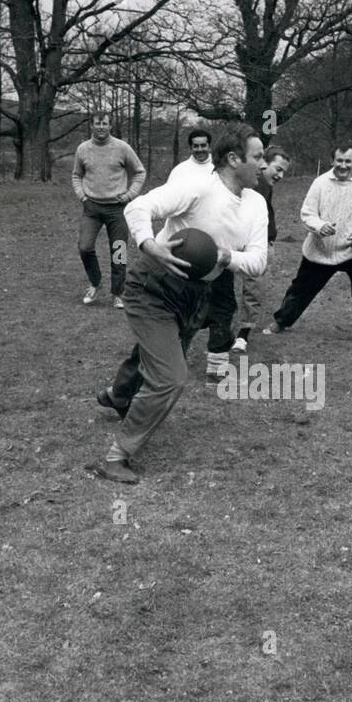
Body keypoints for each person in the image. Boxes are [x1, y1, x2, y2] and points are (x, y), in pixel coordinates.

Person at [93, 124, 268, 483]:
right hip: (152, 286)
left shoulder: (256, 203)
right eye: (258, 157)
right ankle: (116, 456)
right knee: (171, 377)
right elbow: (139, 207)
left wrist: (224, 256)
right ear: (234, 159)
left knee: (156, 353)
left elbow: (258, 261)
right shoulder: (198, 185)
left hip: (196, 295)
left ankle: (117, 395)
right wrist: (148, 243)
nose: (264, 165)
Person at [263, 144, 352, 349]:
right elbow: (307, 213)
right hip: (320, 250)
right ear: (332, 161)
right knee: (301, 289)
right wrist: (319, 226)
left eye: (348, 161)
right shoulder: (319, 183)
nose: (343, 165)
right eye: (339, 161)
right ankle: (280, 322)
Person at [71, 110, 145, 309]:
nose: (101, 127)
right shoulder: (83, 149)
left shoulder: (122, 148)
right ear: (92, 125)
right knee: (85, 247)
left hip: (117, 209)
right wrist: (82, 196)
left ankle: (118, 293)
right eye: (98, 123)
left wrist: (129, 195)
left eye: (105, 123)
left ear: (110, 126)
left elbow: (139, 172)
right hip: (92, 208)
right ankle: (95, 283)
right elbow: (76, 175)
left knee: (118, 252)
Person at [233, 145, 290, 353]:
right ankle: (227, 328)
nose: (280, 175)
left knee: (252, 288)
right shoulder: (252, 184)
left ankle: (243, 334)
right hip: (245, 242)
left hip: (263, 243)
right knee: (236, 285)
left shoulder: (266, 185)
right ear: (264, 164)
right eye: (278, 169)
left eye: (283, 171)